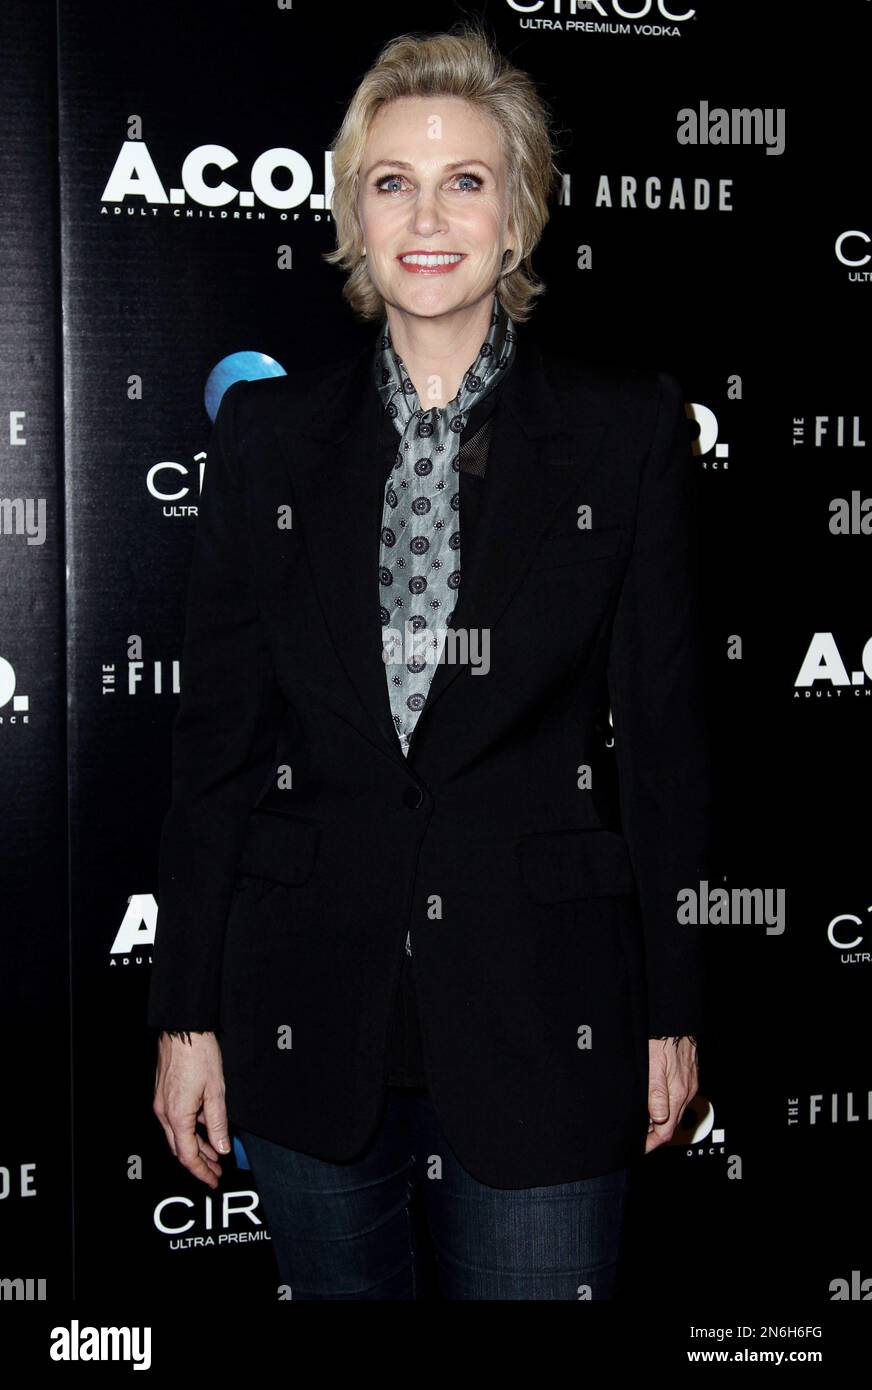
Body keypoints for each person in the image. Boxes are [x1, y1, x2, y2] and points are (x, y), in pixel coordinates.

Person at [149, 20, 713, 1300]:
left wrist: (672, 1009)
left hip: (548, 1007)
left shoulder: (625, 432)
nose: (428, 213)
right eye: (393, 179)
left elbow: (666, 751)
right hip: (303, 1001)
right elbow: (215, 755)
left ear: (516, 215)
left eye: (466, 179)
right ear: (351, 211)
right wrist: (185, 1013)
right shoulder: (265, 438)